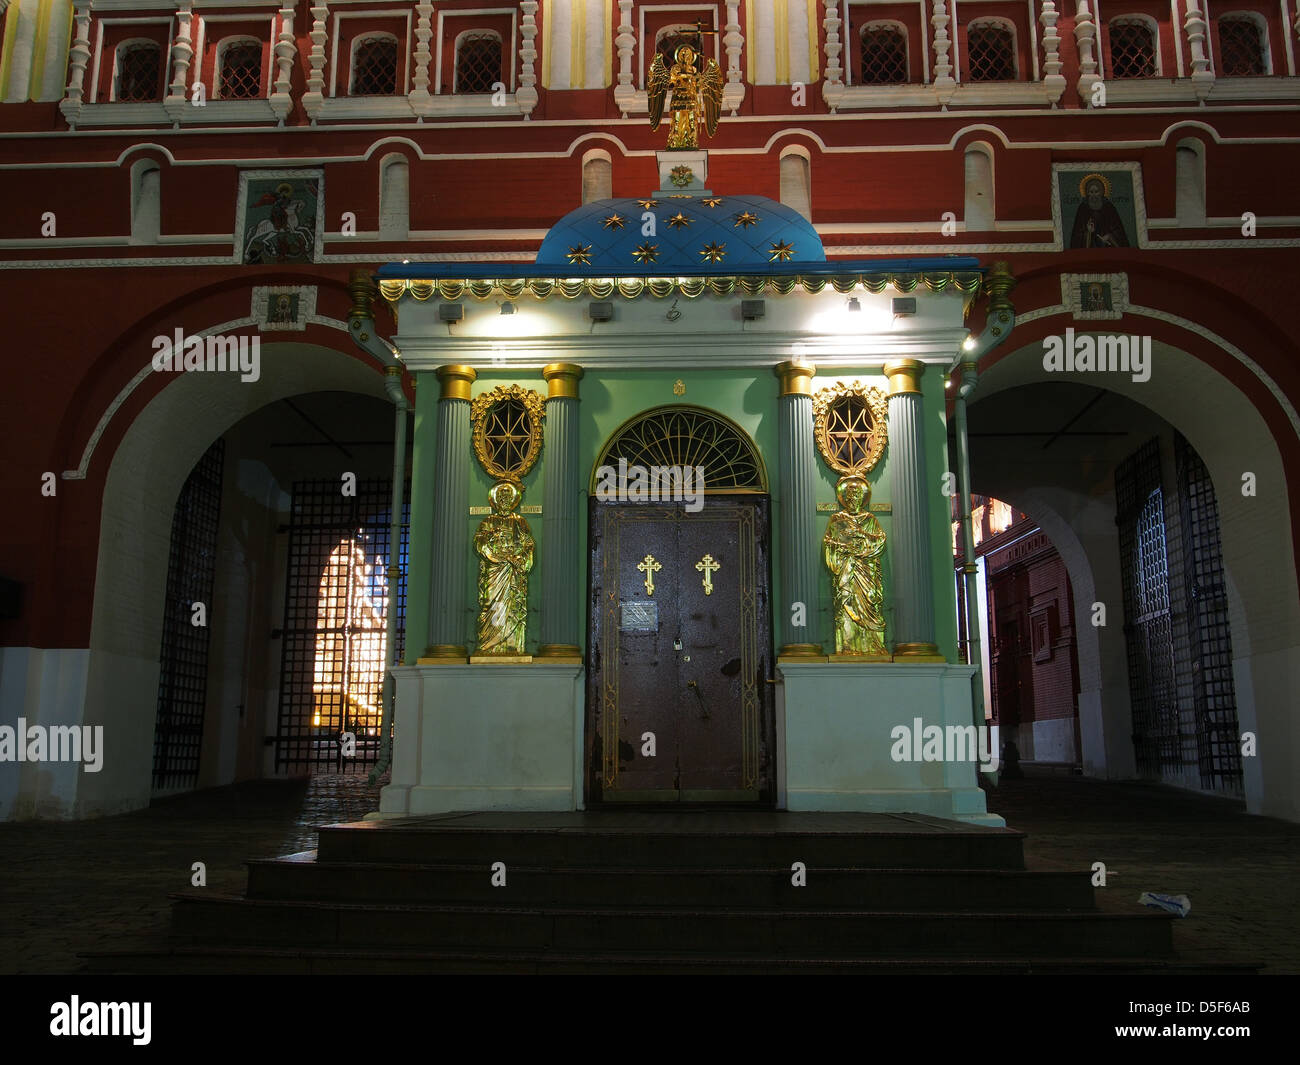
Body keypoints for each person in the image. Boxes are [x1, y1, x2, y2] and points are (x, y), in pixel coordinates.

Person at [823, 476, 888, 656]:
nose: (853, 499)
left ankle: (873, 646)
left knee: (871, 603)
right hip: (846, 570)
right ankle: (848, 646)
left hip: (867, 571)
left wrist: (861, 537)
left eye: (856, 495)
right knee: (846, 601)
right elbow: (829, 543)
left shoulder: (870, 520)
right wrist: (843, 548)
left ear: (862, 498)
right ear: (844, 498)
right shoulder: (837, 519)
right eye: (849, 496)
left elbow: (880, 542)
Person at [473, 480, 535, 655]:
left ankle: (512, 645)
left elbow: (528, 544)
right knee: (491, 602)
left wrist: (518, 557)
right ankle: (489, 644)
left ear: (513, 500)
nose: (505, 499)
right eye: (502, 496)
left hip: (511, 571)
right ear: (496, 499)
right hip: (495, 570)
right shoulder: (488, 521)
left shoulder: (520, 522)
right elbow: (480, 542)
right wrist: (495, 553)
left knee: (512, 604)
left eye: (508, 496)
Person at [1070, 174, 1129, 248]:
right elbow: (1077, 235)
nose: (1094, 195)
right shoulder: (1083, 208)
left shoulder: (1109, 207)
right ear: (1087, 193)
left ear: (1101, 192)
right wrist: (1088, 232)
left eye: (1096, 192)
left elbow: (1118, 231)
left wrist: (1109, 236)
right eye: (1091, 192)